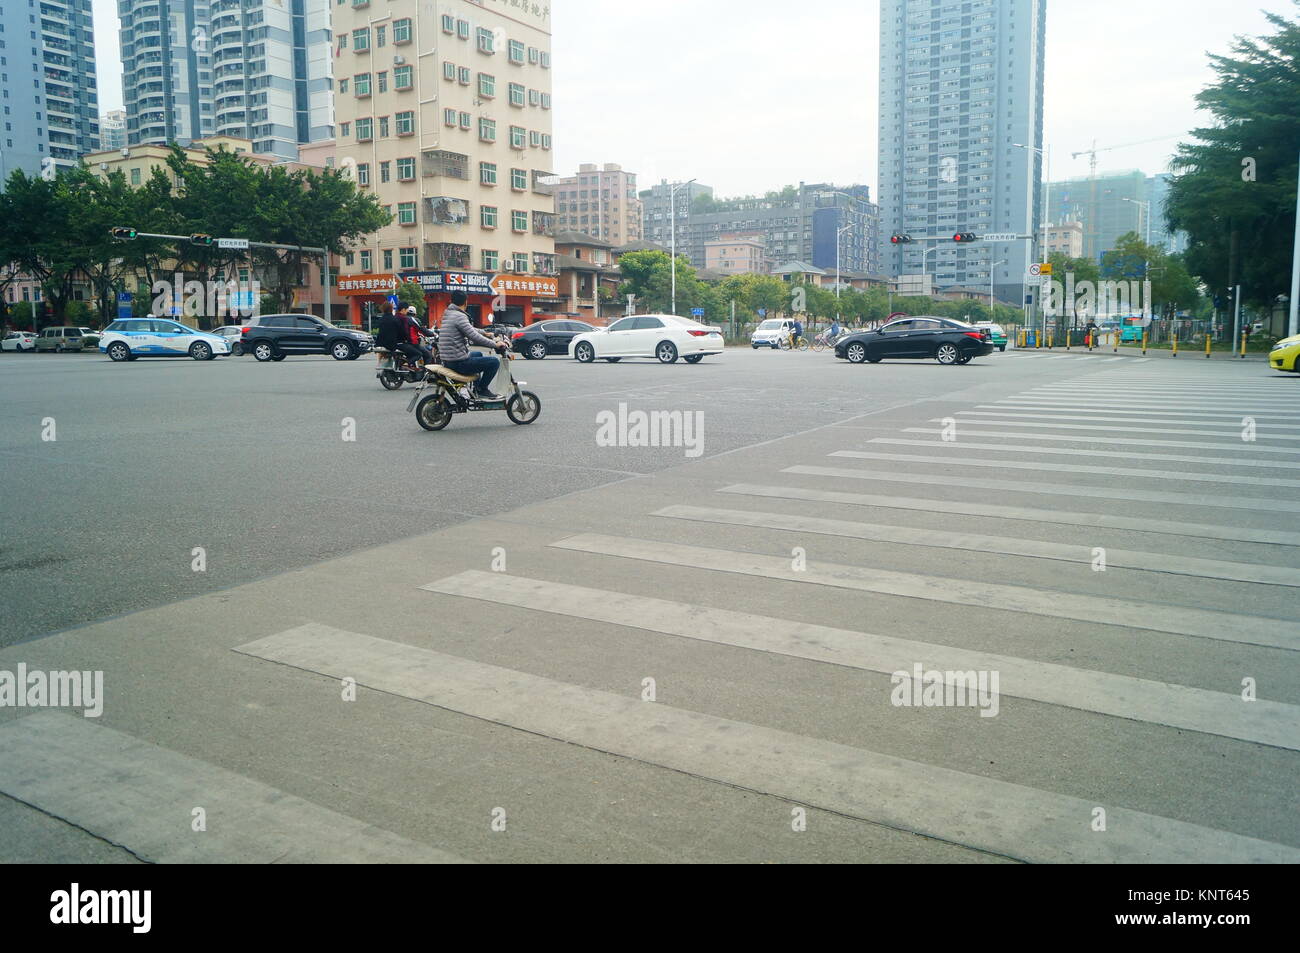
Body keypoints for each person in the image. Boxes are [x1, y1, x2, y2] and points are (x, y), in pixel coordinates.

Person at [437, 290, 509, 399]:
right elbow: (474, 337)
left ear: (451, 301)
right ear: (466, 302)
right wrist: (495, 344)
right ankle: (481, 389)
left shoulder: (448, 313)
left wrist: (485, 332)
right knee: (494, 362)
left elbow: (470, 329)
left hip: (448, 360)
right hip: (458, 362)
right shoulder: (459, 316)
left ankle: (476, 388)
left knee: (478, 354)